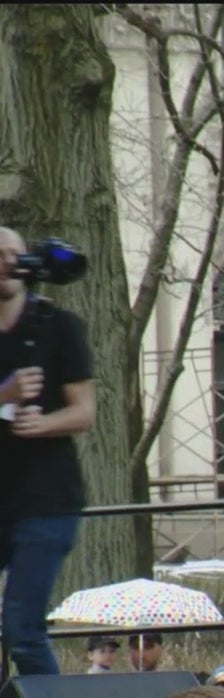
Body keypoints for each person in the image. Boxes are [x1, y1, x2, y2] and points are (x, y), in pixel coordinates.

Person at [0, 226, 95, 676]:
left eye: (11, 255)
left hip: (46, 502)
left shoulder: (59, 327)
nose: (4, 265)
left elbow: (83, 412)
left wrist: (42, 424)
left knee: (22, 627)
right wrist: (6, 394)